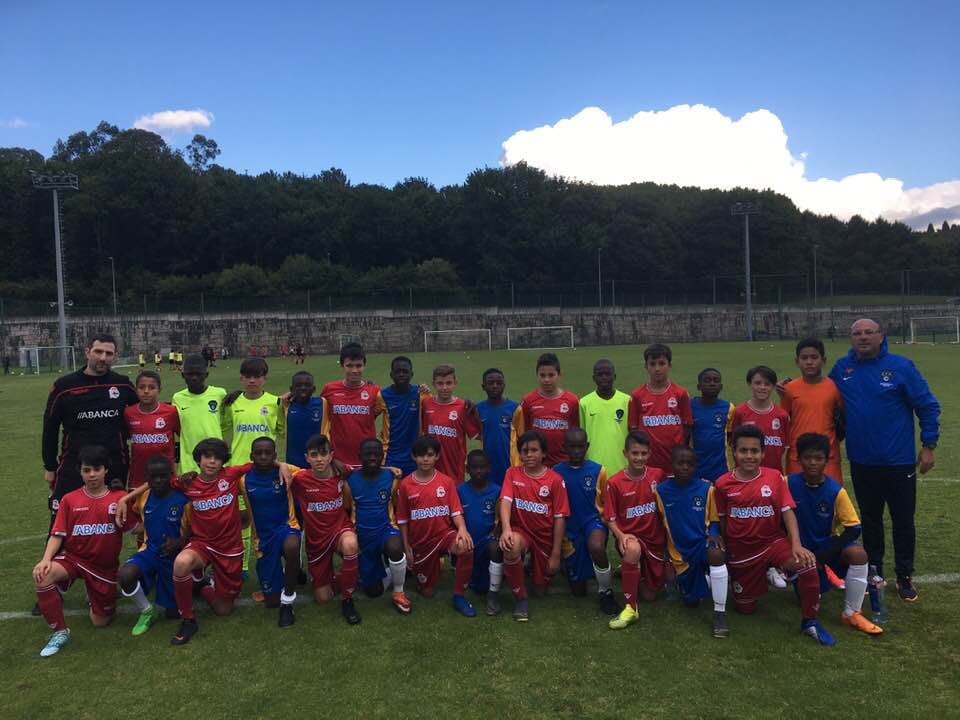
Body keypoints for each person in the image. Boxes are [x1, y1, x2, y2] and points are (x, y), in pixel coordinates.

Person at [828, 318, 940, 601]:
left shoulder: (901, 367)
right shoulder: (842, 369)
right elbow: (823, 396)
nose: (863, 337)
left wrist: (928, 445)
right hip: (862, 461)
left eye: (869, 332)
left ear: (881, 336)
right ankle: (874, 572)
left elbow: (927, 405)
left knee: (903, 520)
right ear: (850, 338)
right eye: (857, 333)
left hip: (898, 461)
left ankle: (904, 576)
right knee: (870, 519)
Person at [714, 425, 833, 646]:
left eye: (755, 451)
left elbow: (787, 512)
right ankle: (763, 573)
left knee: (807, 564)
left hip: (772, 542)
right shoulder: (722, 484)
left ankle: (810, 621)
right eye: (743, 450)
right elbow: (722, 520)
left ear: (763, 452)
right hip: (742, 551)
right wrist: (729, 555)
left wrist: (796, 544)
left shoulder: (775, 477)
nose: (749, 456)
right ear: (734, 451)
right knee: (746, 608)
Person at [32, 445, 138, 657]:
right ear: (80, 472)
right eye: (86, 470)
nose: (92, 475)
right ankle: (60, 632)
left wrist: (136, 503)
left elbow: (137, 529)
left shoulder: (118, 499)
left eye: (96, 469)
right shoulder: (69, 500)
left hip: (103, 568)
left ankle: (100, 598)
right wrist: (45, 559)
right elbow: (57, 534)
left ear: (105, 470)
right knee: (42, 575)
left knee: (100, 622)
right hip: (73, 558)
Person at [787, 433, 882, 635]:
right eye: (807, 457)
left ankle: (851, 612)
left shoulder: (835, 491)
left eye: (818, 458)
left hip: (825, 549)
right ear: (798, 459)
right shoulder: (787, 484)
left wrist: (823, 556)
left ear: (827, 460)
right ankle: (812, 579)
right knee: (810, 600)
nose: (813, 463)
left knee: (859, 554)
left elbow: (854, 528)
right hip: (798, 552)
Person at [164, 438, 255, 645]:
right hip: (202, 544)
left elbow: (260, 462)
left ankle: (203, 584)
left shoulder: (230, 475)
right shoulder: (189, 483)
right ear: (198, 459)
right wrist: (125, 498)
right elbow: (158, 480)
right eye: (207, 457)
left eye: (217, 458)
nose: (212, 462)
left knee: (223, 610)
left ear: (223, 461)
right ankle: (188, 619)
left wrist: (282, 466)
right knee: (181, 563)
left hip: (230, 548)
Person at [42, 334, 137, 526]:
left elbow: (141, 415)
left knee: (109, 522)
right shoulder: (64, 386)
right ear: (87, 352)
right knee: (62, 521)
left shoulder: (123, 384)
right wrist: (50, 466)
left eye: (108, 353)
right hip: (74, 464)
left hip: (114, 464)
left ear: (115, 356)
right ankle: (53, 557)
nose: (103, 358)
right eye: (98, 352)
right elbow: (50, 427)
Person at [395, 435, 477, 617]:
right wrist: (407, 547)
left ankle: (459, 596)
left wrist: (462, 529)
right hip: (421, 542)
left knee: (466, 546)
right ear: (413, 457)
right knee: (427, 593)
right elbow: (402, 520)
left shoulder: (446, 482)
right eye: (421, 455)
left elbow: (456, 512)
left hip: (444, 535)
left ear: (437, 456)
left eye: (430, 455)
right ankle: (421, 569)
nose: (425, 459)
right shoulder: (406, 485)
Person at [655, 445, 730, 638]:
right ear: (672, 465)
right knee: (691, 602)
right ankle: (704, 581)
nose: (685, 467)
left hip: (701, 545)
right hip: (679, 554)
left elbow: (714, 520)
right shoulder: (661, 492)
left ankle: (719, 613)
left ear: (696, 466)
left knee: (716, 552)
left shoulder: (707, 489)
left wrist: (713, 533)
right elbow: (660, 527)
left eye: (690, 464)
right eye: (680, 463)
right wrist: (666, 559)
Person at [221, 356, 285, 577]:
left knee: (269, 517)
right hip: (240, 467)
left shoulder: (275, 402)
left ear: (264, 379)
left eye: (256, 377)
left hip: (268, 469)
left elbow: (281, 429)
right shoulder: (233, 403)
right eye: (247, 377)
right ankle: (244, 565)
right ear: (241, 378)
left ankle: (272, 559)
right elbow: (223, 427)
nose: (251, 381)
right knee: (243, 519)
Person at [289, 434, 361, 625]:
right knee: (323, 597)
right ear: (307, 458)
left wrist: (391, 469)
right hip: (316, 541)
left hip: (339, 530)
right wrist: (280, 466)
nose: (319, 459)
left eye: (323, 454)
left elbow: (368, 468)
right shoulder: (300, 478)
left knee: (351, 544)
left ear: (331, 456)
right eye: (314, 455)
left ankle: (348, 599)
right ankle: (348, 576)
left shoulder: (341, 472)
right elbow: (276, 467)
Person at [499, 430, 570, 621]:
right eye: (524, 451)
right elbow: (505, 501)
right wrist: (506, 529)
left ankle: (534, 563)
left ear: (544, 453)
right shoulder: (512, 473)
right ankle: (521, 599)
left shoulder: (555, 480)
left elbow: (560, 518)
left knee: (540, 590)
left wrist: (556, 554)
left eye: (534, 450)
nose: (528, 455)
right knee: (511, 545)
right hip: (521, 531)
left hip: (545, 537)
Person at [600, 431, 667, 630]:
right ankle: (630, 608)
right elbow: (609, 518)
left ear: (649, 454)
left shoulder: (658, 476)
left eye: (643, 453)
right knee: (632, 549)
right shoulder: (615, 482)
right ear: (625, 453)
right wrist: (620, 535)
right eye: (634, 453)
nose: (639, 458)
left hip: (655, 541)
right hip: (631, 538)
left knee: (650, 595)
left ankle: (632, 572)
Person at [117, 455, 190, 636]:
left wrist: (179, 542)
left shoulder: (183, 499)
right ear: (146, 479)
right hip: (150, 551)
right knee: (126, 575)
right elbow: (137, 519)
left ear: (171, 475)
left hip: (175, 557)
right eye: (153, 477)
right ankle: (146, 610)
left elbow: (195, 531)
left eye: (163, 476)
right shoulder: (143, 497)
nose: (158, 480)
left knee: (172, 614)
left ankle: (198, 582)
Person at [553, 428, 618, 615]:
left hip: (592, 523)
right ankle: (571, 565)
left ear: (587, 447)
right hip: (568, 529)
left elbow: (607, 503)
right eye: (571, 447)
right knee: (578, 592)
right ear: (564, 447)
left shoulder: (599, 470)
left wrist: (606, 523)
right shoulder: (556, 472)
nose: (576, 452)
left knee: (596, 546)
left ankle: (606, 592)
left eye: (580, 447)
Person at [241, 437, 303, 627]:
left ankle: (288, 602)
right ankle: (286, 573)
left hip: (286, 527)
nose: (263, 456)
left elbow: (316, 470)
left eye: (268, 453)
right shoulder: (244, 480)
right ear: (252, 456)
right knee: (271, 601)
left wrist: (282, 465)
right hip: (263, 538)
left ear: (275, 455)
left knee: (292, 546)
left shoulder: (286, 471)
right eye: (258, 453)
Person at [344, 437, 410, 614]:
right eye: (368, 454)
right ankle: (385, 570)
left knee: (395, 546)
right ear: (359, 456)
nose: (372, 457)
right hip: (363, 538)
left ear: (383, 456)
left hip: (385, 530)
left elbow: (397, 506)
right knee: (374, 592)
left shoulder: (392, 478)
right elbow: (346, 510)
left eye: (377, 454)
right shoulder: (350, 481)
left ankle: (399, 591)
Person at [778, 338, 845, 483]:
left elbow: (842, 418)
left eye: (814, 357)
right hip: (798, 456)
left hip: (828, 456)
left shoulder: (834, 387)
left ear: (823, 360)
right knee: (797, 500)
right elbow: (783, 420)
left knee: (831, 499)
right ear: (797, 361)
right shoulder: (788, 389)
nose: (809, 362)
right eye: (804, 358)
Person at [320, 342, 389, 469]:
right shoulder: (329, 390)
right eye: (349, 366)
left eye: (359, 365)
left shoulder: (374, 391)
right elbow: (319, 416)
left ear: (364, 365)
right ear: (342, 365)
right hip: (337, 462)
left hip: (367, 461)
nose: (354, 370)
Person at [628, 343, 692, 473]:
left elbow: (687, 426)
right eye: (652, 364)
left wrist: (680, 450)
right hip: (649, 461)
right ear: (646, 366)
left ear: (669, 365)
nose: (657, 369)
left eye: (662, 363)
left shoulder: (680, 393)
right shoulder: (637, 395)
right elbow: (633, 429)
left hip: (675, 461)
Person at [457, 450, 504, 615]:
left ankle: (493, 591)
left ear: (489, 468)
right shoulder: (460, 491)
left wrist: (497, 530)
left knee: (494, 547)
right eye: (474, 467)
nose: (478, 471)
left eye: (482, 467)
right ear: (467, 469)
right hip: (468, 544)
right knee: (477, 588)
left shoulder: (497, 491)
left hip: (486, 543)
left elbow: (501, 519)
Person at [515, 353, 579, 467]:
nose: (546, 380)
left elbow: (575, 432)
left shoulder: (572, 401)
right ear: (537, 376)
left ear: (559, 375)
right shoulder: (528, 401)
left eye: (551, 375)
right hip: (536, 463)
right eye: (542, 375)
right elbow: (523, 433)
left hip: (563, 463)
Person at [421, 364, 479, 483]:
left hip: (454, 470)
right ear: (433, 384)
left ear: (455, 383)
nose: (444, 388)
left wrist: (476, 414)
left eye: (448, 383)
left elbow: (478, 435)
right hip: (430, 468)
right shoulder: (426, 404)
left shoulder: (463, 407)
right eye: (440, 383)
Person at [172, 353, 227, 474]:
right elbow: (177, 427)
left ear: (206, 375)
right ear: (183, 375)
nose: (194, 378)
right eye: (190, 374)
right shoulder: (178, 398)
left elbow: (225, 423)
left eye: (198, 374)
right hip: (189, 463)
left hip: (215, 459)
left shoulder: (220, 394)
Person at [124, 370, 179, 489]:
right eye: (141, 387)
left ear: (159, 389)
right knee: (138, 507)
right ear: (136, 390)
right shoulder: (128, 413)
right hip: (138, 478)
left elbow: (182, 436)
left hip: (166, 477)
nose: (146, 391)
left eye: (152, 387)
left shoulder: (170, 411)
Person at [732, 366, 790, 472]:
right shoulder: (739, 412)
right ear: (750, 384)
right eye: (758, 383)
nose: (762, 387)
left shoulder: (782, 415)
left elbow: (785, 449)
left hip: (774, 474)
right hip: (746, 475)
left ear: (773, 386)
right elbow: (734, 446)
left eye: (767, 384)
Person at [578, 358, 631, 475]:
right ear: (593, 378)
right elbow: (582, 435)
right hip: (593, 465)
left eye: (608, 374)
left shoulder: (626, 401)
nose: (604, 377)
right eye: (600, 374)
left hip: (622, 464)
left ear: (615, 376)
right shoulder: (584, 403)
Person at [475, 368, 521, 485]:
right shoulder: (478, 409)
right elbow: (477, 435)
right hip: (486, 467)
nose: (495, 386)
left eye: (499, 383)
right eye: (490, 383)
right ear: (483, 386)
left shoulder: (515, 408)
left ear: (504, 385)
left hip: (510, 466)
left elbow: (522, 437)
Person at [381, 356, 424, 477]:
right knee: (391, 493)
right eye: (397, 371)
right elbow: (368, 416)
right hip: (390, 456)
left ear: (412, 374)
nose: (401, 374)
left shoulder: (420, 393)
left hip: (415, 456)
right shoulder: (382, 395)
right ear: (391, 374)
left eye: (405, 371)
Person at [690, 368, 734, 482]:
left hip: (721, 469)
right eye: (707, 380)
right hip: (695, 469)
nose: (712, 383)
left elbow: (731, 439)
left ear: (721, 386)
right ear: (698, 386)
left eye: (716, 380)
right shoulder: (690, 406)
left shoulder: (728, 408)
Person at [284, 370, 329, 466]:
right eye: (298, 385)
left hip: (319, 462)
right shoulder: (286, 406)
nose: (303, 388)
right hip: (293, 463)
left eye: (307, 385)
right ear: (291, 389)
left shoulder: (323, 403)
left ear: (314, 389)